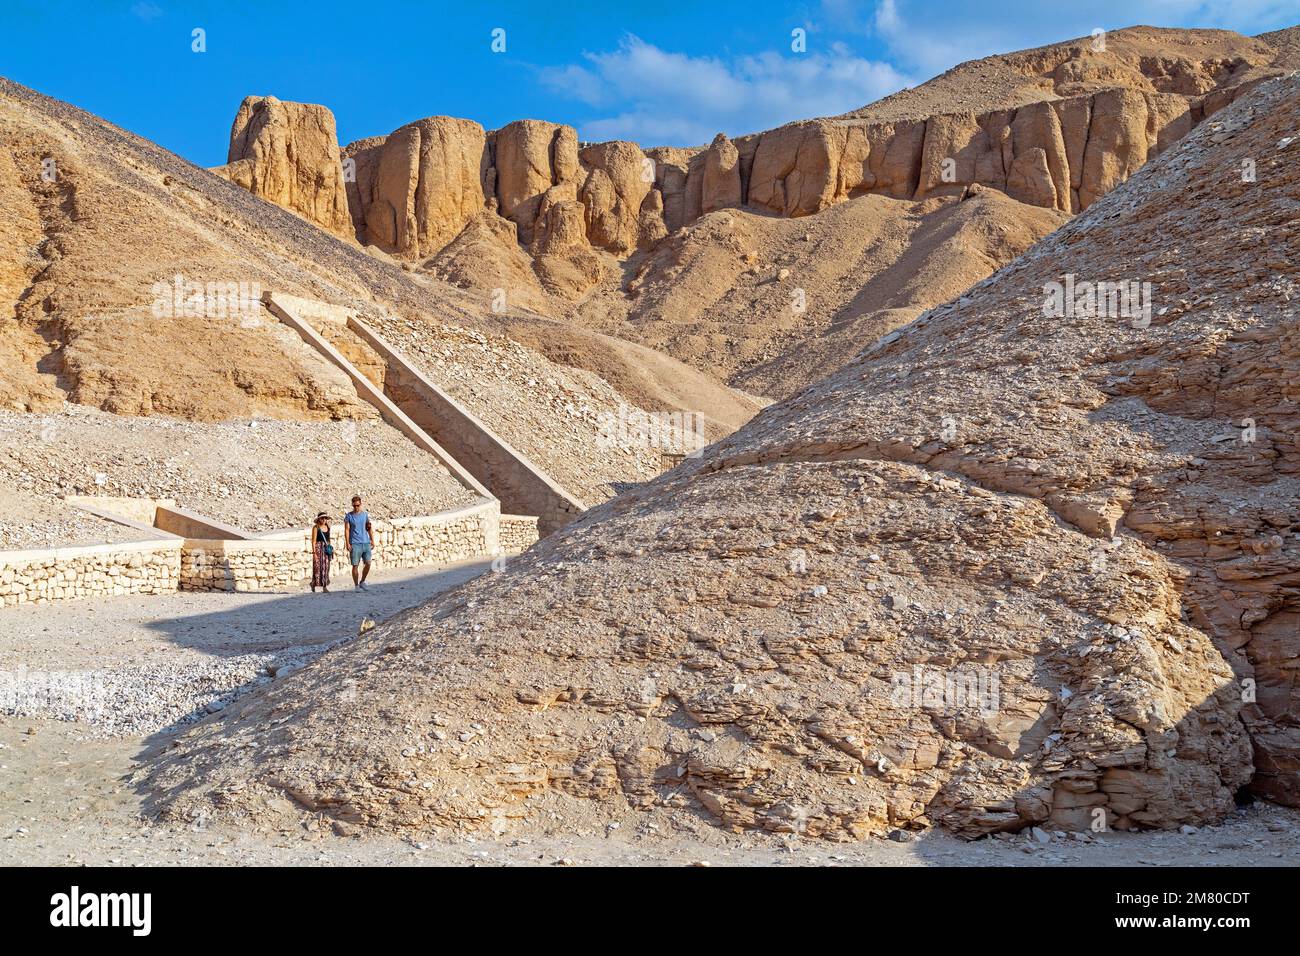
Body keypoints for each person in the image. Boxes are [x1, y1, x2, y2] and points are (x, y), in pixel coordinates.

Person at [343, 495, 374, 591]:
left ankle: (362, 581)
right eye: (354, 506)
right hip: (355, 543)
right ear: (352, 505)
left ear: (360, 504)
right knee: (355, 565)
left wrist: (372, 539)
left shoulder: (365, 515)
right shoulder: (349, 516)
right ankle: (356, 585)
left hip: (366, 542)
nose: (356, 507)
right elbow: (347, 530)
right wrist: (347, 543)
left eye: (358, 505)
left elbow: (368, 527)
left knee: (368, 563)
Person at [310, 512, 332, 593]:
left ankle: (324, 587)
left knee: (326, 568)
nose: (324, 520)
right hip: (318, 549)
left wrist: (330, 549)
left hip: (326, 549)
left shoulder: (328, 527)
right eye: (322, 518)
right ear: (319, 519)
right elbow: (313, 541)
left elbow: (329, 539)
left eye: (325, 518)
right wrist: (314, 553)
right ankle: (313, 583)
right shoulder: (316, 528)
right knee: (317, 568)